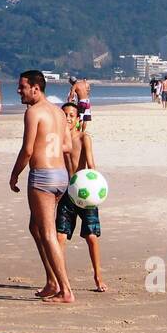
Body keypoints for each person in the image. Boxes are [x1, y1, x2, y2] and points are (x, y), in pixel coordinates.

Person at [10, 70, 74, 304]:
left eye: (22, 87)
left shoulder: (33, 112)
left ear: (36, 88)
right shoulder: (58, 112)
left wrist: (14, 175)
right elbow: (67, 145)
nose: (19, 90)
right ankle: (51, 281)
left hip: (43, 176)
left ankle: (65, 289)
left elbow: (27, 150)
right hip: (60, 175)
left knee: (47, 232)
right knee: (35, 227)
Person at [56, 103, 105, 292]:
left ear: (77, 120)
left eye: (71, 115)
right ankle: (61, 279)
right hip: (67, 193)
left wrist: (96, 185)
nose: (67, 118)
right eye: (64, 115)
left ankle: (98, 276)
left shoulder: (84, 138)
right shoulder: (59, 141)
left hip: (86, 192)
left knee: (91, 236)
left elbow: (91, 164)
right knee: (60, 236)